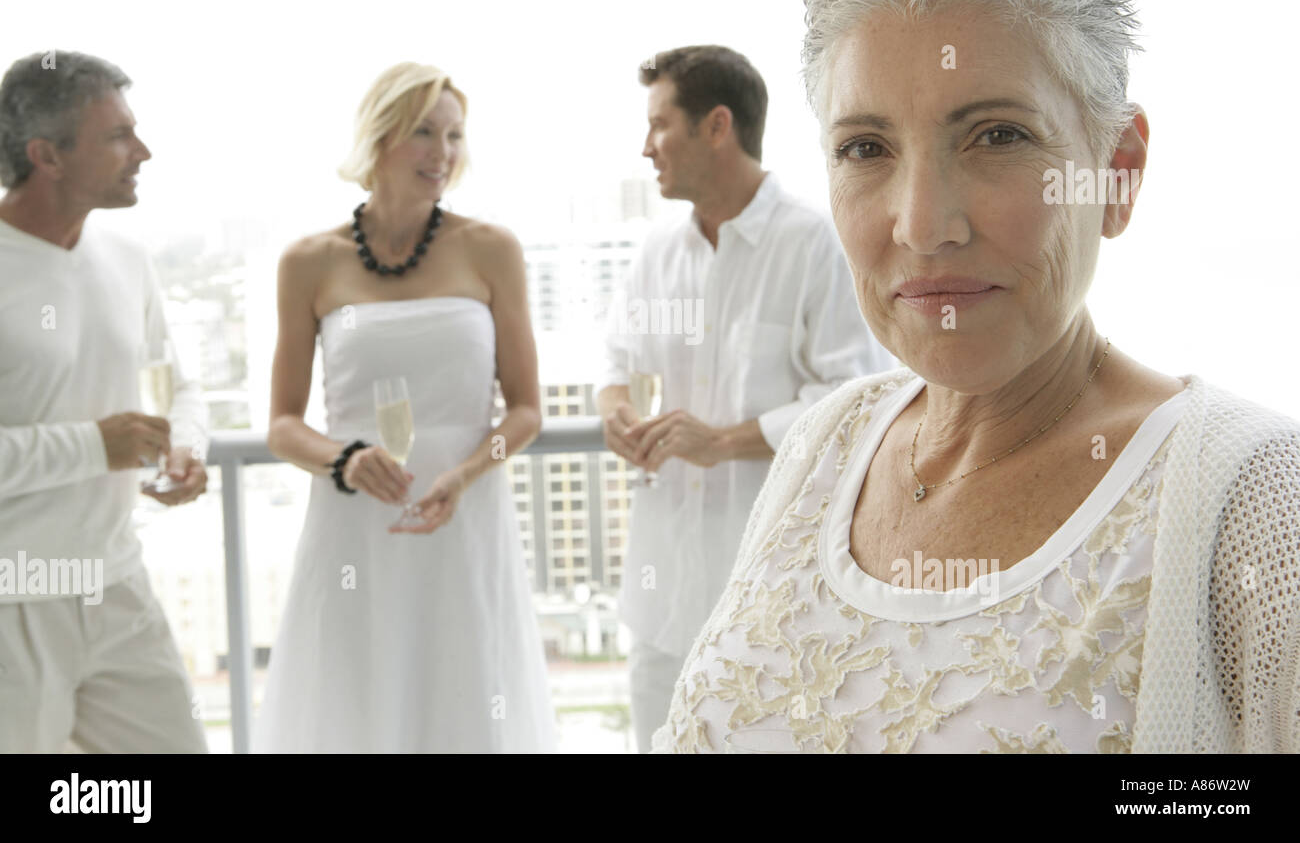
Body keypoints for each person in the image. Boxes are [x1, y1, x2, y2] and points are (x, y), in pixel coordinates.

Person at [652, 0, 1300, 754]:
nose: (923, 224)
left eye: (996, 136)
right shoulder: (823, 447)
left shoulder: (1253, 500)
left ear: (1118, 172)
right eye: (866, 149)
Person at [597, 45, 895, 752]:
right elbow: (618, 363)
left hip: (771, 598)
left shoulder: (814, 244)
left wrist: (725, 441)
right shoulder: (654, 254)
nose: (646, 148)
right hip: (660, 596)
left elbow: (853, 397)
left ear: (716, 126)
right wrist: (615, 409)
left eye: (659, 124)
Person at [254, 62, 555, 752]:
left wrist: (467, 473)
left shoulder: (491, 249)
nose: (444, 152)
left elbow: (527, 412)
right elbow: (281, 425)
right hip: (354, 523)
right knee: (355, 706)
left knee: (467, 698)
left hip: (463, 517)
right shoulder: (308, 261)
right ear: (381, 136)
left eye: (454, 135)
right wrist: (346, 458)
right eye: (425, 132)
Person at [0, 51, 210, 753]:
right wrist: (97, 446)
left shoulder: (126, 257)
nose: (142, 152)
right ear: (46, 156)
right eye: (117, 136)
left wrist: (185, 449)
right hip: (13, 598)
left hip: (116, 585)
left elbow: (178, 386)